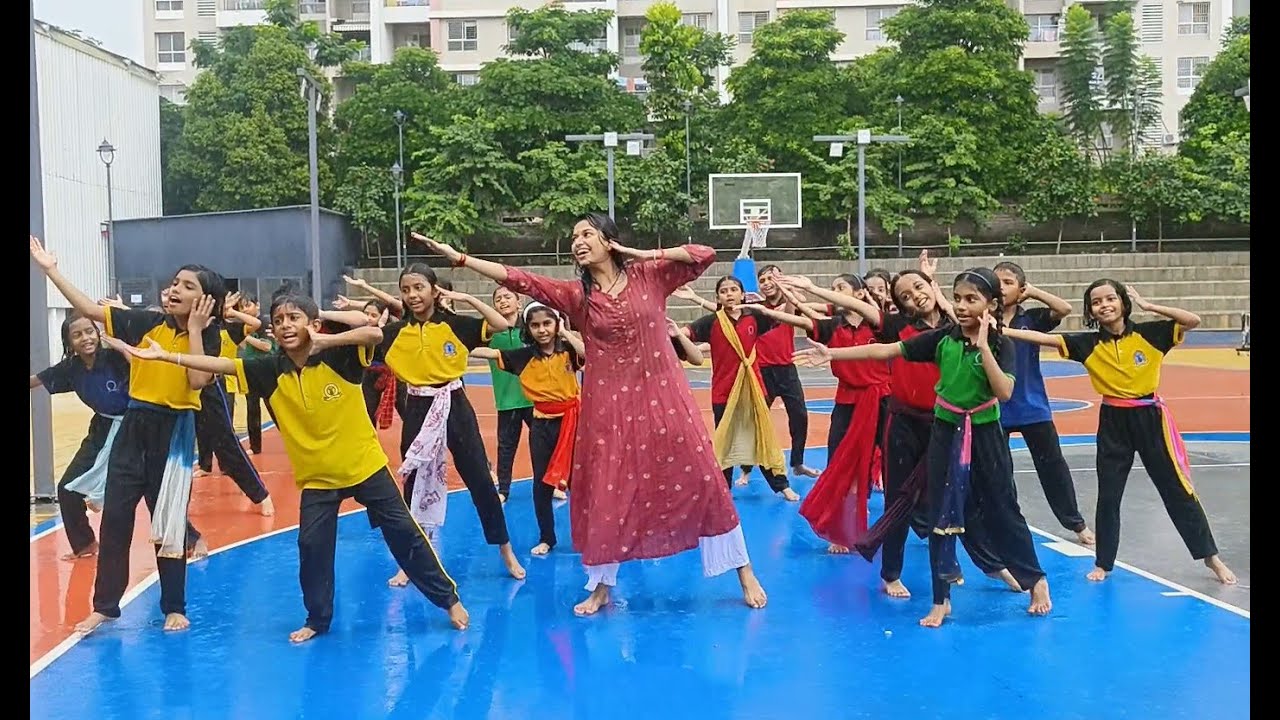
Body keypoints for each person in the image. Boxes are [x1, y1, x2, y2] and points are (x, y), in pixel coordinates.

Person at [412, 216, 769, 616]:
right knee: (607, 490)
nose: (577, 241)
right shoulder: (577, 296)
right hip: (609, 408)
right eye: (574, 237)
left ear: (608, 240)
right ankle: (601, 586)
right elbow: (521, 280)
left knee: (705, 478)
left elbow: (704, 254)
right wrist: (461, 258)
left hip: (664, 398)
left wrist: (640, 254)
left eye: (586, 234)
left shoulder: (650, 276)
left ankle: (744, 571)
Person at [113, 289, 470, 642]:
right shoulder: (269, 369)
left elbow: (374, 333)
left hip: (365, 467)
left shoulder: (340, 358)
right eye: (279, 319)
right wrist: (168, 357)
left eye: (294, 318)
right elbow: (223, 365)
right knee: (312, 548)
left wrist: (325, 341)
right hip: (317, 479)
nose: (285, 325)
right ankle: (317, 619)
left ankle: (449, 600)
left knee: (405, 534)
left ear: (313, 324)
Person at [796, 267, 1051, 628]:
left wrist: (983, 347)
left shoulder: (1000, 344)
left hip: (984, 433)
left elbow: (1004, 391)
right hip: (942, 430)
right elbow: (885, 349)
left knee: (1002, 508)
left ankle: (1035, 580)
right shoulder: (941, 338)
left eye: (971, 299)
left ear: (991, 304)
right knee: (940, 515)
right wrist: (834, 355)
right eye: (958, 298)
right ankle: (940, 599)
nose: (962, 306)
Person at [31, 235, 220, 634]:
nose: (175, 289)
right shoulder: (144, 322)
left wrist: (196, 329)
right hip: (134, 425)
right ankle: (104, 606)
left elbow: (197, 380)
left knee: (167, 523)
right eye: (175, 282)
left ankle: (174, 606)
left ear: (204, 300)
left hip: (174, 432)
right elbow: (88, 309)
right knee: (115, 520)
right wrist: (51, 270)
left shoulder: (209, 336)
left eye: (188, 286)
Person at [1003, 279, 1236, 585]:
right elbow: (1043, 338)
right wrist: (1003, 331)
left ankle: (1211, 557)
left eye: (1110, 298)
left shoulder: (1152, 334)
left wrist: (1149, 306)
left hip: (1150, 419)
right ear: (1090, 311)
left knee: (1176, 490)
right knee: (1109, 496)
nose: (1104, 305)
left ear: (1123, 302)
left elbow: (1192, 320)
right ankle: (1104, 563)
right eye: (1096, 302)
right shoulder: (1087, 344)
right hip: (1113, 422)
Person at [378, 263, 525, 586]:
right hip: (417, 407)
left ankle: (505, 550)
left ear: (434, 290)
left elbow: (501, 324)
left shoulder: (455, 325)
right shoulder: (394, 333)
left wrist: (467, 299)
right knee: (414, 484)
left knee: (480, 480)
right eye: (406, 289)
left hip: (454, 404)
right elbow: (364, 333)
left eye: (419, 287)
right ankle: (413, 560)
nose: (412, 295)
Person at [470, 303, 586, 555]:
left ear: (556, 324)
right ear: (528, 328)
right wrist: (459, 342)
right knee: (541, 483)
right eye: (535, 325)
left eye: (547, 323)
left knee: (578, 482)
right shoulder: (523, 356)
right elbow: (489, 353)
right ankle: (547, 538)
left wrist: (565, 332)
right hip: (541, 425)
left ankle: (586, 534)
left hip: (573, 423)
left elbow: (587, 354)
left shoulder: (569, 350)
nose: (542, 330)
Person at [992, 261, 1094, 546]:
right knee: (999, 471)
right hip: (995, 408)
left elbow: (1064, 309)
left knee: (1053, 468)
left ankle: (1076, 523)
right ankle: (1007, 523)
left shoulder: (1032, 318)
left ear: (1021, 288)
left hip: (1032, 407)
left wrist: (1034, 291)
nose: (1002, 287)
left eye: (1009, 282)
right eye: (997, 282)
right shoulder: (982, 318)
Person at [683, 275, 805, 501]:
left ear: (742, 294)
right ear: (718, 298)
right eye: (723, 291)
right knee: (724, 441)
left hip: (753, 389)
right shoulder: (711, 322)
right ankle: (723, 489)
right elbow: (686, 333)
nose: (729, 294)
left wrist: (789, 294)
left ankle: (781, 485)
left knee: (763, 436)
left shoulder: (755, 317)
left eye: (733, 289)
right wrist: (673, 332)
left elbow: (784, 317)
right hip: (724, 391)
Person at [29, 312, 132, 560]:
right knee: (67, 488)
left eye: (89, 331)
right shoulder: (70, 368)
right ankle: (85, 544)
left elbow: (146, 367)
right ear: (69, 342)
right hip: (101, 430)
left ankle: (188, 538)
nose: (85, 338)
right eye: (77, 335)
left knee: (150, 488)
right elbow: (36, 380)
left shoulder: (116, 358)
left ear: (97, 333)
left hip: (135, 428)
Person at [485, 287, 535, 504]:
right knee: (506, 448)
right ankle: (504, 489)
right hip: (507, 402)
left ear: (519, 302)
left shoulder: (532, 329)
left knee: (543, 447)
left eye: (507, 297)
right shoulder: (490, 333)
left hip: (535, 399)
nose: (503, 301)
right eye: (498, 299)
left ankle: (552, 485)